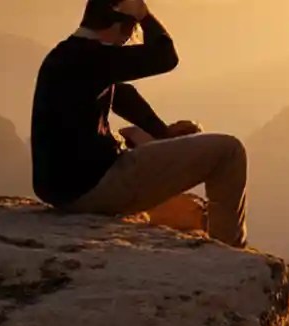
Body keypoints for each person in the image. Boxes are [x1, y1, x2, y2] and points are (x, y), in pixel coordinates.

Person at [31, 0, 249, 248]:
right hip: (94, 188)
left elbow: (122, 95)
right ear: (119, 24)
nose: (128, 40)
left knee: (136, 137)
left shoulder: (66, 56)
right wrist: (145, 15)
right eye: (131, 31)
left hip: (65, 187)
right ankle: (229, 249)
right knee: (229, 152)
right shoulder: (90, 58)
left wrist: (162, 133)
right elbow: (166, 57)